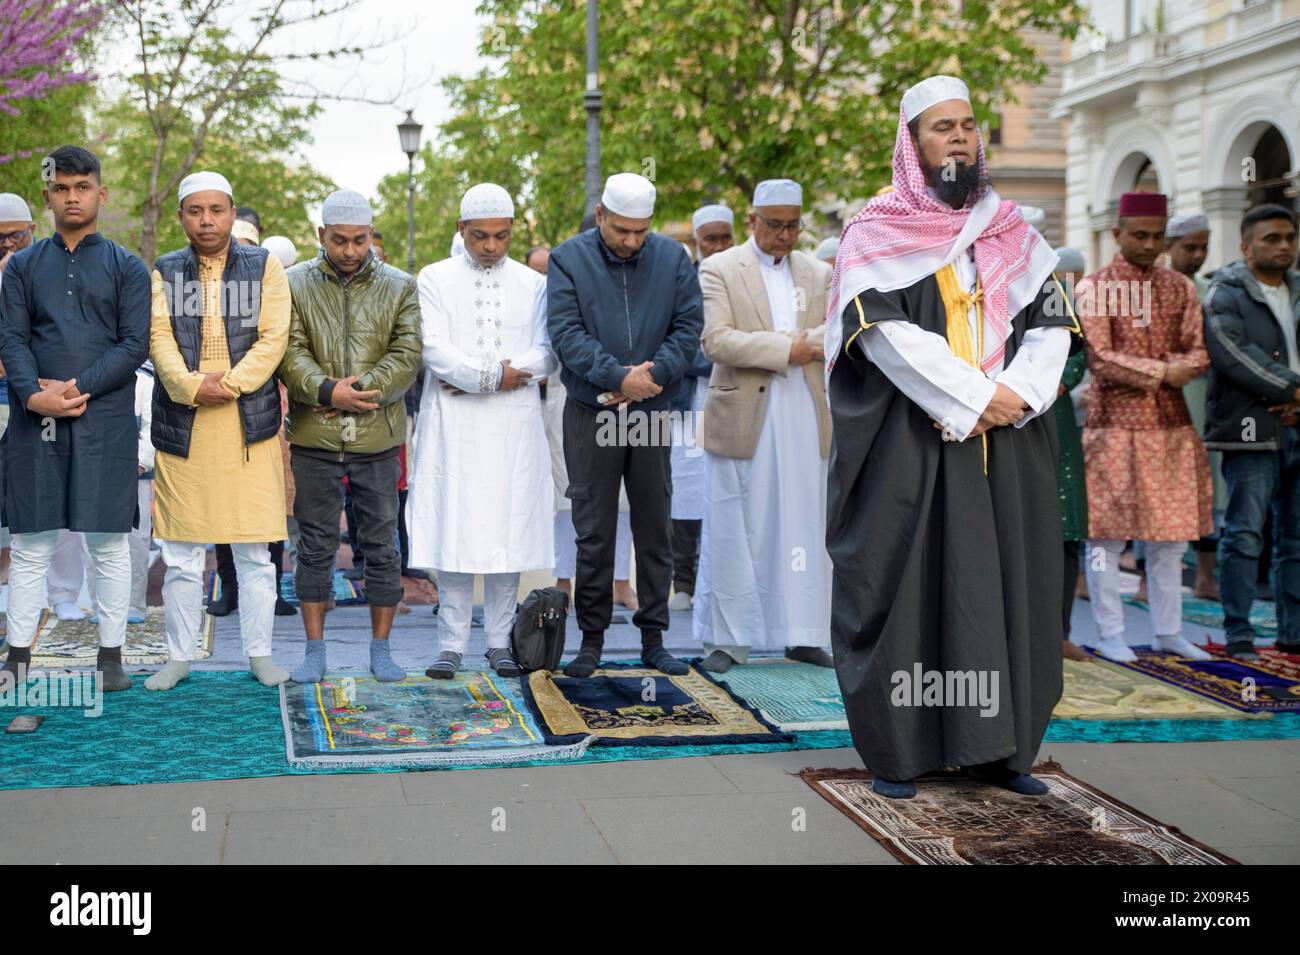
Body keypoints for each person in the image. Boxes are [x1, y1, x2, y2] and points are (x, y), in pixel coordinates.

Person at [824, 76, 1072, 799]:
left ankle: (1001, 748)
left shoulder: (1018, 233)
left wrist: (1016, 396)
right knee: (914, 590)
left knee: (1006, 588)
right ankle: (901, 751)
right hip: (914, 447)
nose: (959, 136)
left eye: (968, 125)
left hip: (1008, 446)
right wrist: (974, 396)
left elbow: (1054, 327)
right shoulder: (874, 236)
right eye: (942, 127)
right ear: (912, 143)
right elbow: (884, 338)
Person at [0, 146, 150, 690]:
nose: (71, 196)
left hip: (103, 419)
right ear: (48, 197)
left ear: (100, 194)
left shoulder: (127, 266)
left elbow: (134, 344)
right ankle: (17, 657)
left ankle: (110, 658)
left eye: (82, 187)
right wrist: (31, 395)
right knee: (33, 542)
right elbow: (12, 337)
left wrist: (76, 387)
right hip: (34, 419)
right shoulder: (21, 265)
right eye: (61, 188)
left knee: (107, 542)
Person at [547, 172, 704, 677]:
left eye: (640, 232)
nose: (631, 241)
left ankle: (654, 639)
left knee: (653, 523)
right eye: (621, 231)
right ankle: (591, 640)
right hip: (593, 412)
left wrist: (650, 377)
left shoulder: (673, 258)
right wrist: (617, 377)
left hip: (650, 410)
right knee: (593, 528)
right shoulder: (568, 259)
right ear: (600, 217)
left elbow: (688, 328)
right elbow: (566, 334)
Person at [144, 171, 291, 690]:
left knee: (254, 552)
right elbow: (159, 338)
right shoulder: (165, 270)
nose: (206, 220)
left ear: (232, 214)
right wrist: (189, 387)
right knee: (182, 554)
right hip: (186, 424)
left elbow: (274, 339)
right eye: (195, 211)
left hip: (245, 422)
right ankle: (180, 655)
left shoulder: (265, 265)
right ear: (182, 216)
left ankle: (260, 654)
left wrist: (227, 385)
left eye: (216, 210)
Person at [411, 184, 556, 678]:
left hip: (512, 429)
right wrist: (495, 378)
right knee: (456, 526)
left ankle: (499, 641)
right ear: (461, 231)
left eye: (501, 236)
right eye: (480, 237)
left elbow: (547, 350)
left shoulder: (533, 284)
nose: (491, 246)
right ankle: (449, 643)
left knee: (505, 530)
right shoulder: (433, 278)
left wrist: (479, 381)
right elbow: (434, 350)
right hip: (455, 428)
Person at [279, 189, 421, 683]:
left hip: (377, 437)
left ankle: (381, 649)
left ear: (370, 235)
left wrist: (354, 392)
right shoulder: (293, 283)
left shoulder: (400, 286)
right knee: (314, 546)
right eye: (339, 240)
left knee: (382, 546)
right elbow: (287, 349)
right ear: (321, 235)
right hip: (314, 437)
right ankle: (313, 650)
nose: (349, 251)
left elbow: (406, 355)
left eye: (359, 240)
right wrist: (323, 389)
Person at [695, 180, 834, 671]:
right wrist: (786, 348)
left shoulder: (818, 272)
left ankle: (805, 633)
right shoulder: (719, 268)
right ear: (752, 221)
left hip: (803, 411)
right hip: (744, 417)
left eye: (794, 225)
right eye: (775, 225)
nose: (785, 235)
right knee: (736, 525)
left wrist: (798, 344)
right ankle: (729, 640)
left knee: (805, 522)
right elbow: (717, 340)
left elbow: (832, 331)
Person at [1077, 192, 1215, 663]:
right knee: (1107, 539)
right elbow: (1099, 358)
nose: (1151, 244)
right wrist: (1162, 372)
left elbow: (1199, 348)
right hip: (1113, 428)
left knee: (1169, 539)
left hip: (1173, 428)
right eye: (1140, 235)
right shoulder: (1094, 287)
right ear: (1116, 234)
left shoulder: (1181, 287)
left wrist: (1182, 366)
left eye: (1158, 235)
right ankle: (1111, 634)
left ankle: (1167, 631)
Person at [1203, 204, 1300, 658]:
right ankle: (1239, 636)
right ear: (1246, 246)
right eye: (1271, 239)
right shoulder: (1225, 292)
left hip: (1298, 424)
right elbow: (1231, 354)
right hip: (1252, 428)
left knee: (1295, 537)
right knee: (1245, 534)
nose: (1283, 246)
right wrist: (1292, 389)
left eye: (1289, 237)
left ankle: (1292, 634)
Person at [668, 203, 733, 613]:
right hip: (687, 405)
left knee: (729, 490)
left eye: (725, 237)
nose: (718, 245)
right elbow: (678, 348)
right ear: (696, 242)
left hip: (736, 400)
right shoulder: (680, 283)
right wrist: (724, 352)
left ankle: (725, 582)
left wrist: (729, 352)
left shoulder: (744, 278)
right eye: (710, 238)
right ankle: (683, 584)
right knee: (685, 493)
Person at [1165, 212, 1224, 600]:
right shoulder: (1149, 289)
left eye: (1203, 247)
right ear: (1170, 246)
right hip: (1163, 398)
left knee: (1210, 490)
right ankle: (1145, 578)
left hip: (1207, 400)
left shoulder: (1214, 291)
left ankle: (1205, 576)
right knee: (1161, 487)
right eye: (1190, 247)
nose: (1198, 255)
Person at [1053, 247, 1091, 661]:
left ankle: (1059, 632)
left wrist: (1054, 382)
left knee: (1065, 531)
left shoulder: (1055, 296)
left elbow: (1077, 354)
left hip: (1056, 422)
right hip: (1002, 415)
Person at [0, 193, 37, 600]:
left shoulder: (48, 267)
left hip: (36, 390)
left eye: (16, 236)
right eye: (0, 238)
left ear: (33, 230)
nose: (8, 245)